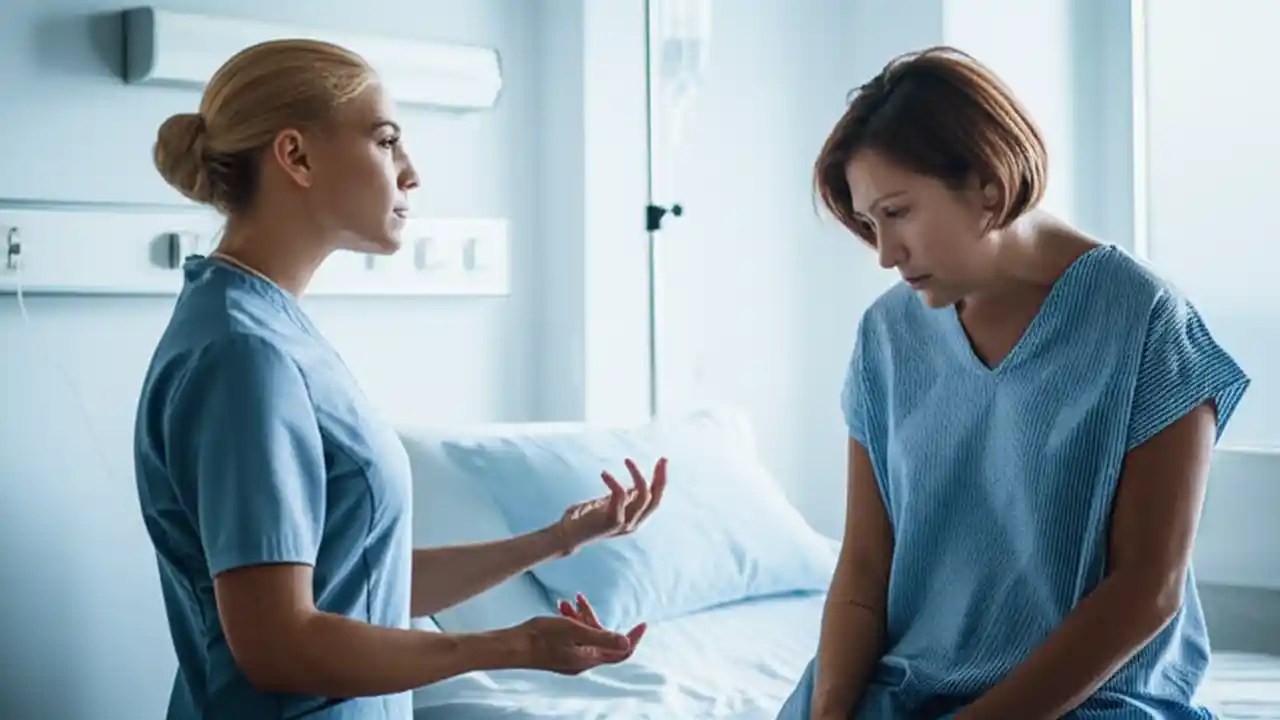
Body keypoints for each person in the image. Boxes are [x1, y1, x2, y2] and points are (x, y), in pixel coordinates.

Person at [133, 39, 668, 720]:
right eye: (386, 142)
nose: (409, 173)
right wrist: (510, 647)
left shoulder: (263, 327)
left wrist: (553, 541)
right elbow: (278, 644)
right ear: (295, 156)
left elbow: (359, 586)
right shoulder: (245, 357)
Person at [778, 46, 1250, 719]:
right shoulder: (885, 337)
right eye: (870, 223)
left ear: (989, 187)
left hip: (1091, 701)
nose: (885, 254)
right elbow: (861, 574)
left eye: (899, 212)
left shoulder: (1145, 323)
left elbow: (1150, 588)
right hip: (903, 689)